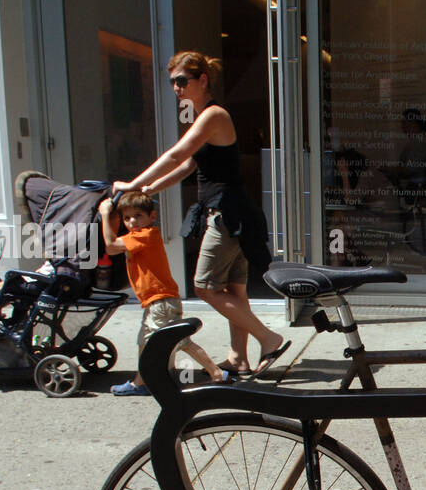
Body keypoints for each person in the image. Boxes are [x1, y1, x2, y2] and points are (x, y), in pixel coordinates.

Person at [113, 51, 288, 378]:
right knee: (235, 290)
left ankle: (269, 338)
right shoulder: (202, 119)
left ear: (202, 80)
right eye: (172, 83)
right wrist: (148, 190)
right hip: (234, 214)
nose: (176, 88)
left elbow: (177, 152)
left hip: (228, 214)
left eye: (182, 81)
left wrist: (132, 183)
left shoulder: (213, 115)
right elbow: (186, 166)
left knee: (205, 286)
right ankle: (239, 358)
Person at [98, 192, 230, 395]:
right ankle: (140, 382)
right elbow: (115, 240)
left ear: (152, 216)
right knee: (145, 342)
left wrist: (105, 214)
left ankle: (217, 374)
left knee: (180, 341)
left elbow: (111, 245)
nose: (132, 221)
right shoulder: (137, 236)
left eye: (138, 215)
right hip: (156, 302)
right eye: (126, 218)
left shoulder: (146, 235)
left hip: (161, 301)